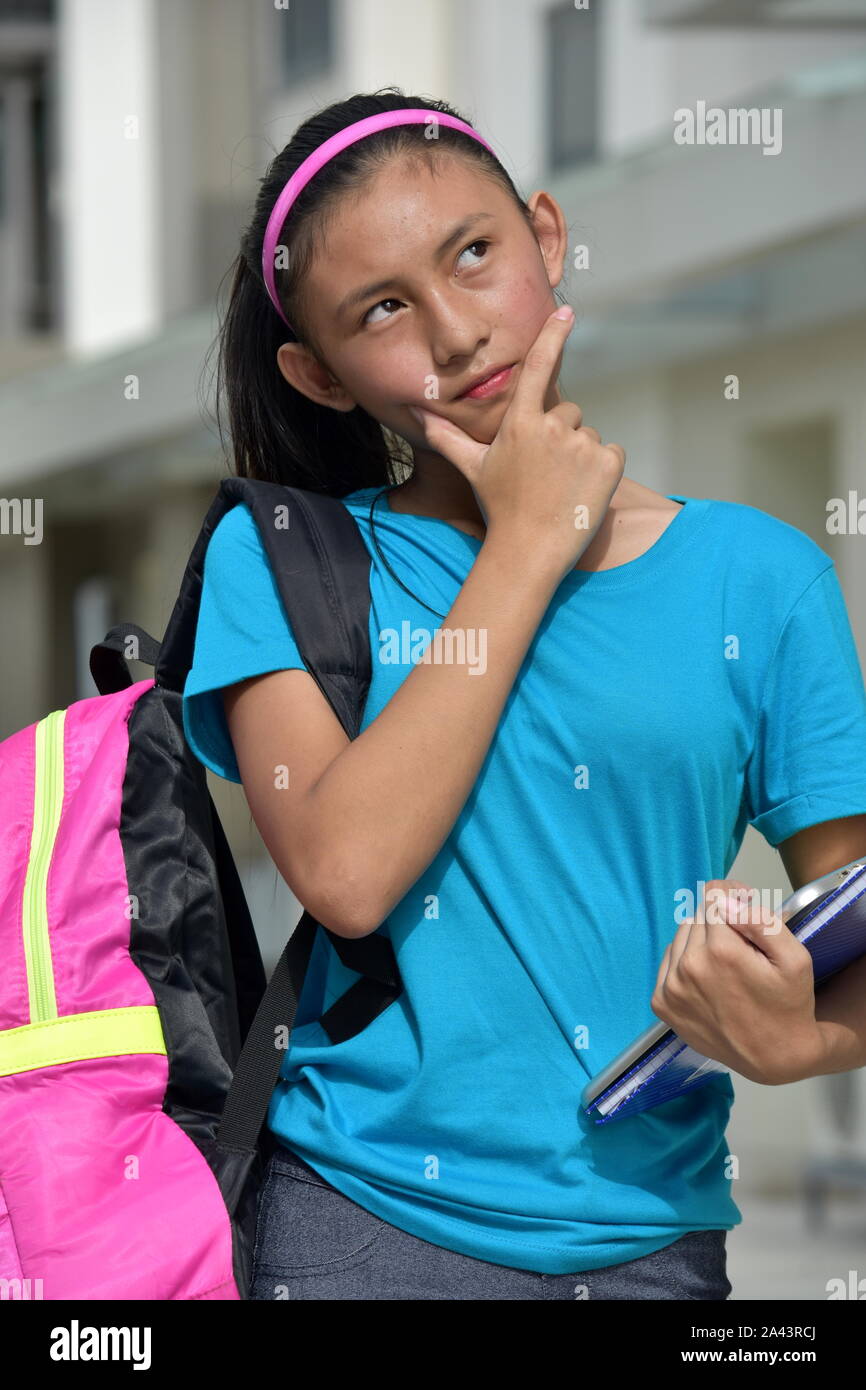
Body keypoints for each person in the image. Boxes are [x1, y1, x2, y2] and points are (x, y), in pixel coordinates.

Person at [182, 89, 866, 1300]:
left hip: (655, 1246)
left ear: (547, 239)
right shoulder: (279, 554)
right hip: (359, 1229)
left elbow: (849, 930)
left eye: (474, 255)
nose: (454, 333)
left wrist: (802, 1041)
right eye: (382, 309)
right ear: (320, 374)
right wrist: (525, 544)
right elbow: (343, 871)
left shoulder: (758, 579)